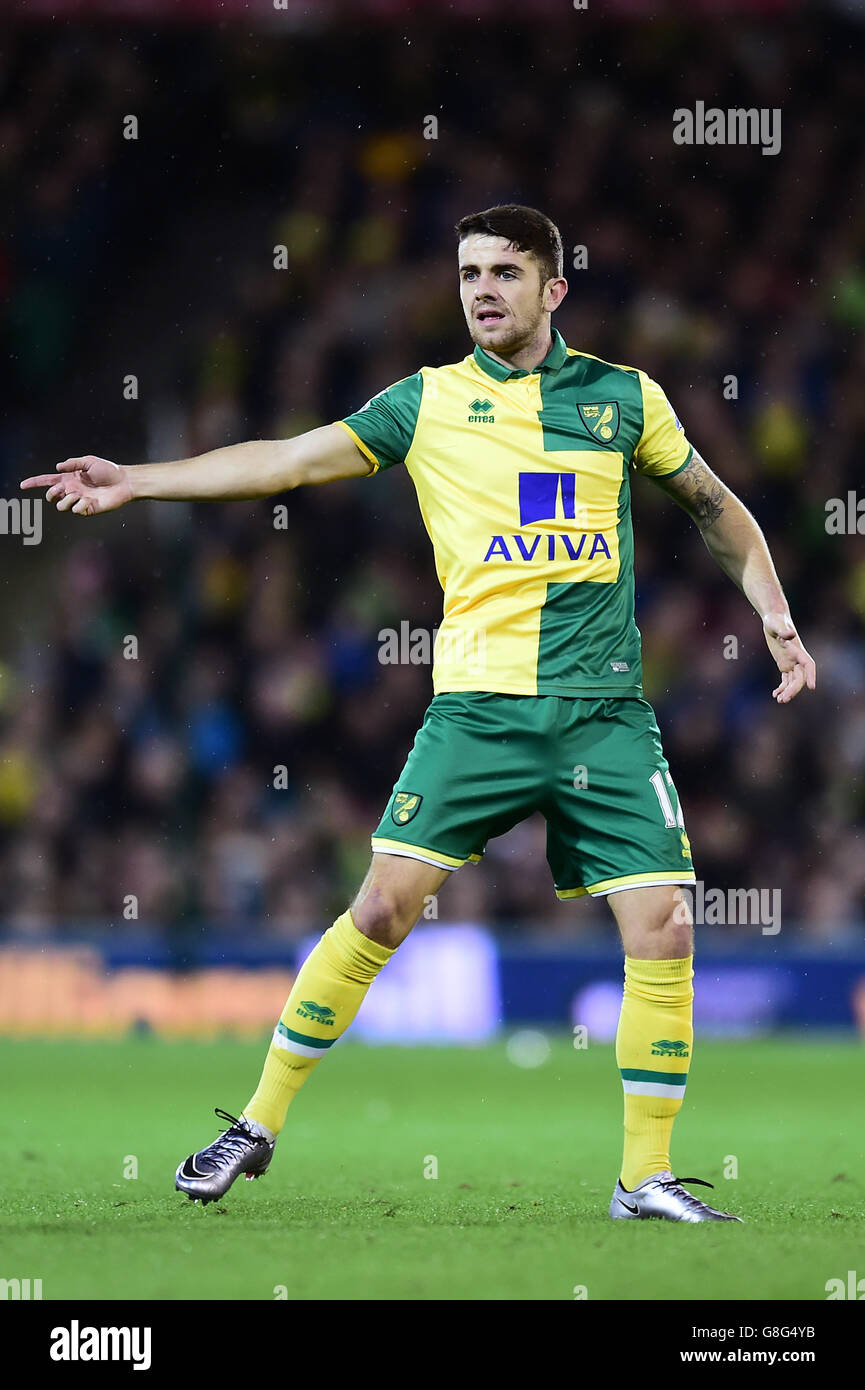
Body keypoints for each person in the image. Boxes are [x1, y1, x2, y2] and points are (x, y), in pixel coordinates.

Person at [22, 204, 815, 1222]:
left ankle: (642, 1176)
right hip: (477, 714)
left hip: (602, 715)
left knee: (663, 926)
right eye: (469, 272)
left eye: (505, 272)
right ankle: (255, 1126)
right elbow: (286, 459)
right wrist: (139, 479)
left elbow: (716, 510)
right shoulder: (428, 403)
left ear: (553, 290)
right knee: (382, 909)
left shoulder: (625, 400)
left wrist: (776, 615)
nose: (483, 289)